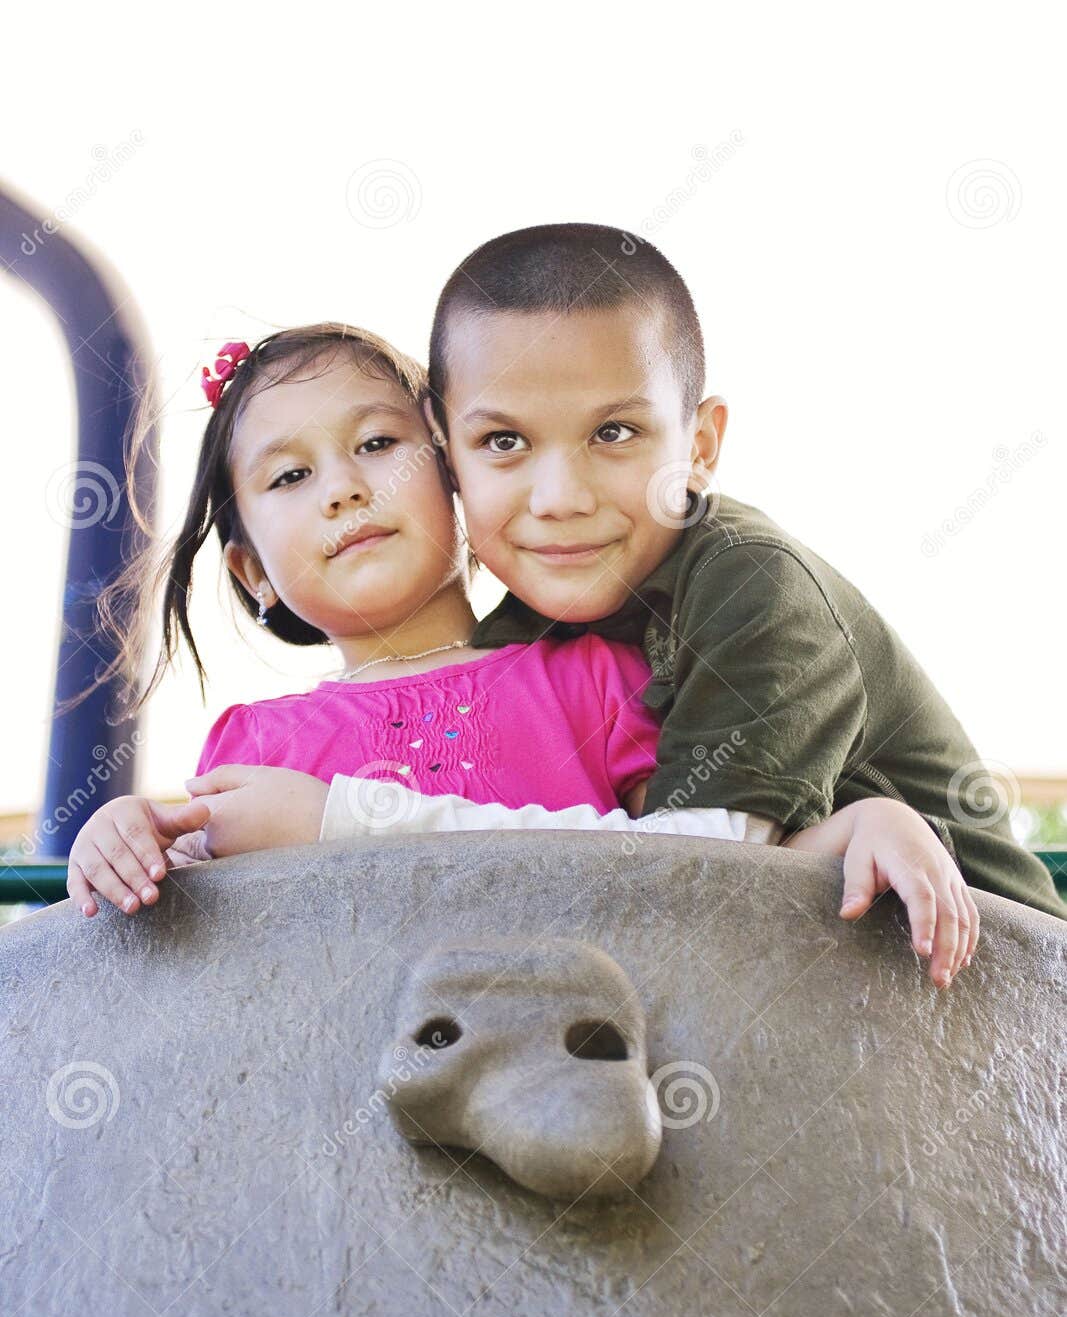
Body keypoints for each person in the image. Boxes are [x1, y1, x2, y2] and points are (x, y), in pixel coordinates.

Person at [67, 322, 976, 986]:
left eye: (378, 445)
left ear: (459, 478)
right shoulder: (251, 745)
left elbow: (688, 875)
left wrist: (857, 830)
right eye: (290, 476)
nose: (343, 488)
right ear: (250, 570)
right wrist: (124, 841)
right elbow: (202, 947)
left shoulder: (593, 674)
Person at [420, 221, 1064, 940]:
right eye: (503, 442)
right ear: (447, 460)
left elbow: (693, 879)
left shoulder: (752, 585)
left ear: (698, 448)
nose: (559, 498)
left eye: (613, 434)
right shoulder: (519, 634)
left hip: (1007, 992)